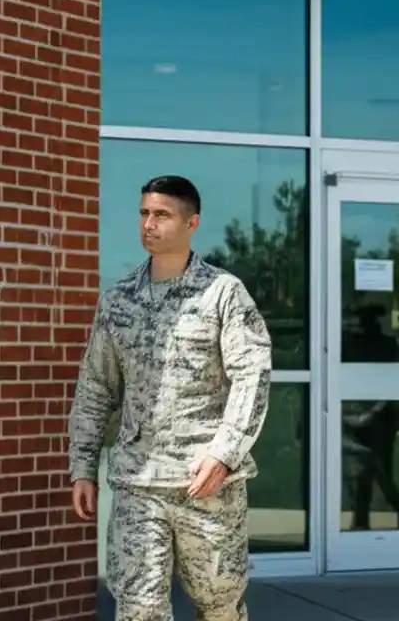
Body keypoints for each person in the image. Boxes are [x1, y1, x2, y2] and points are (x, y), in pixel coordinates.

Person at [68, 175, 272, 621]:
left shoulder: (223, 294)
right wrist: (83, 466)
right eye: (144, 213)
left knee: (218, 604)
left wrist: (224, 453)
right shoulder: (118, 301)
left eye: (161, 215)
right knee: (138, 607)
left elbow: (251, 378)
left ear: (191, 222)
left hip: (206, 483)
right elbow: (95, 388)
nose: (149, 224)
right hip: (138, 483)